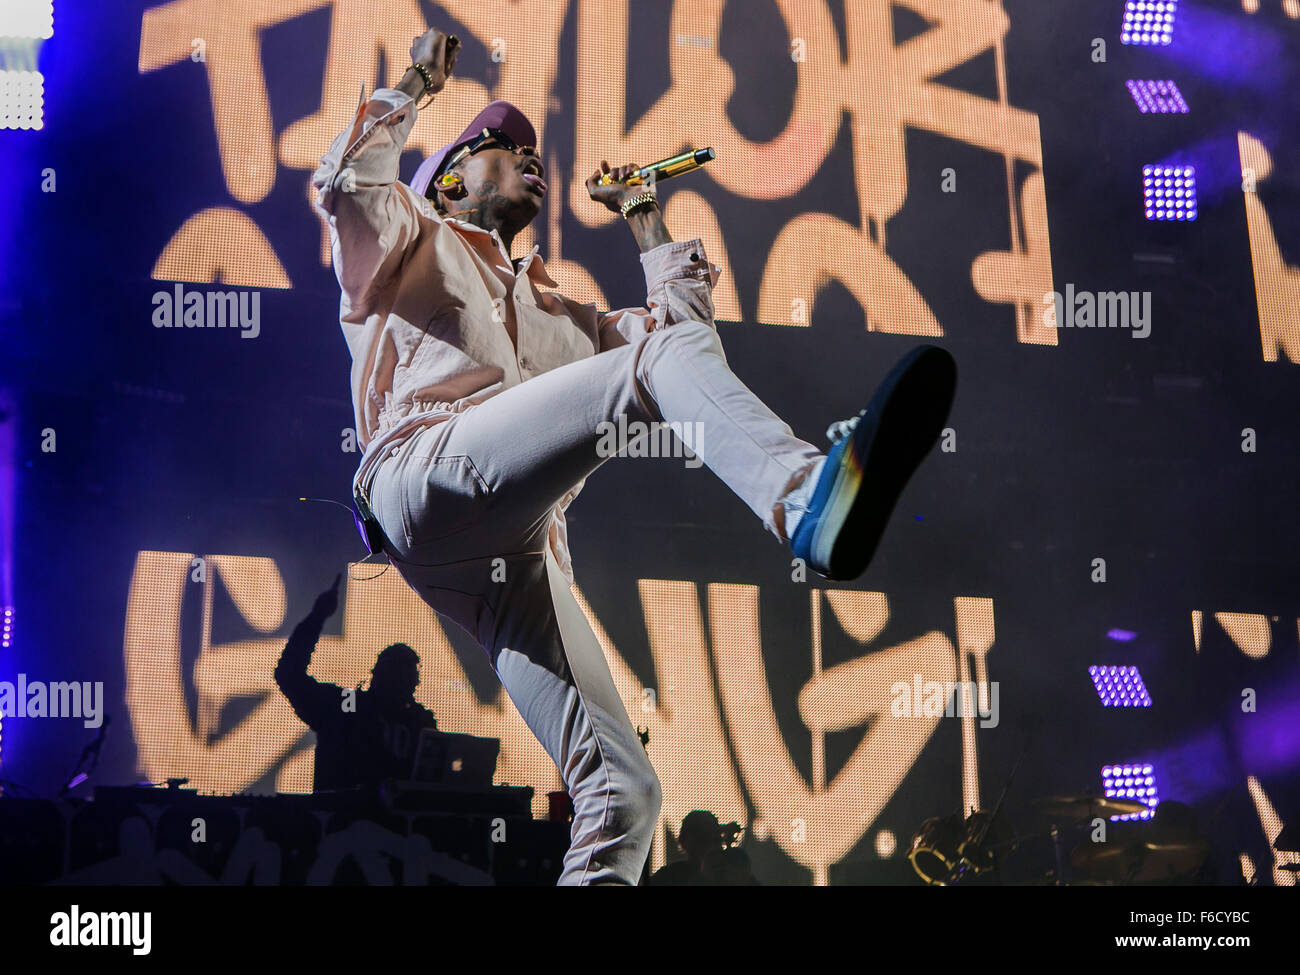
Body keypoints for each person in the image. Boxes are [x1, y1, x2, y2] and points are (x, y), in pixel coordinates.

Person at [311, 26, 956, 885]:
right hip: (420, 479)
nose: (529, 159)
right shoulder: (408, 240)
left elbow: (688, 348)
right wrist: (417, 81)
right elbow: (349, 179)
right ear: (454, 175)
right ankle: (804, 501)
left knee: (624, 792)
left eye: (530, 151)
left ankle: (809, 503)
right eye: (505, 148)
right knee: (646, 370)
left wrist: (648, 221)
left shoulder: (564, 318)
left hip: (511, 554)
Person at [274, 575, 437, 791]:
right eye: (397, 670)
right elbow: (289, 676)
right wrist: (316, 618)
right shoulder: (349, 706)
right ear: (378, 675)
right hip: (344, 820)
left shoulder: (418, 722)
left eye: (409, 673)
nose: (404, 680)